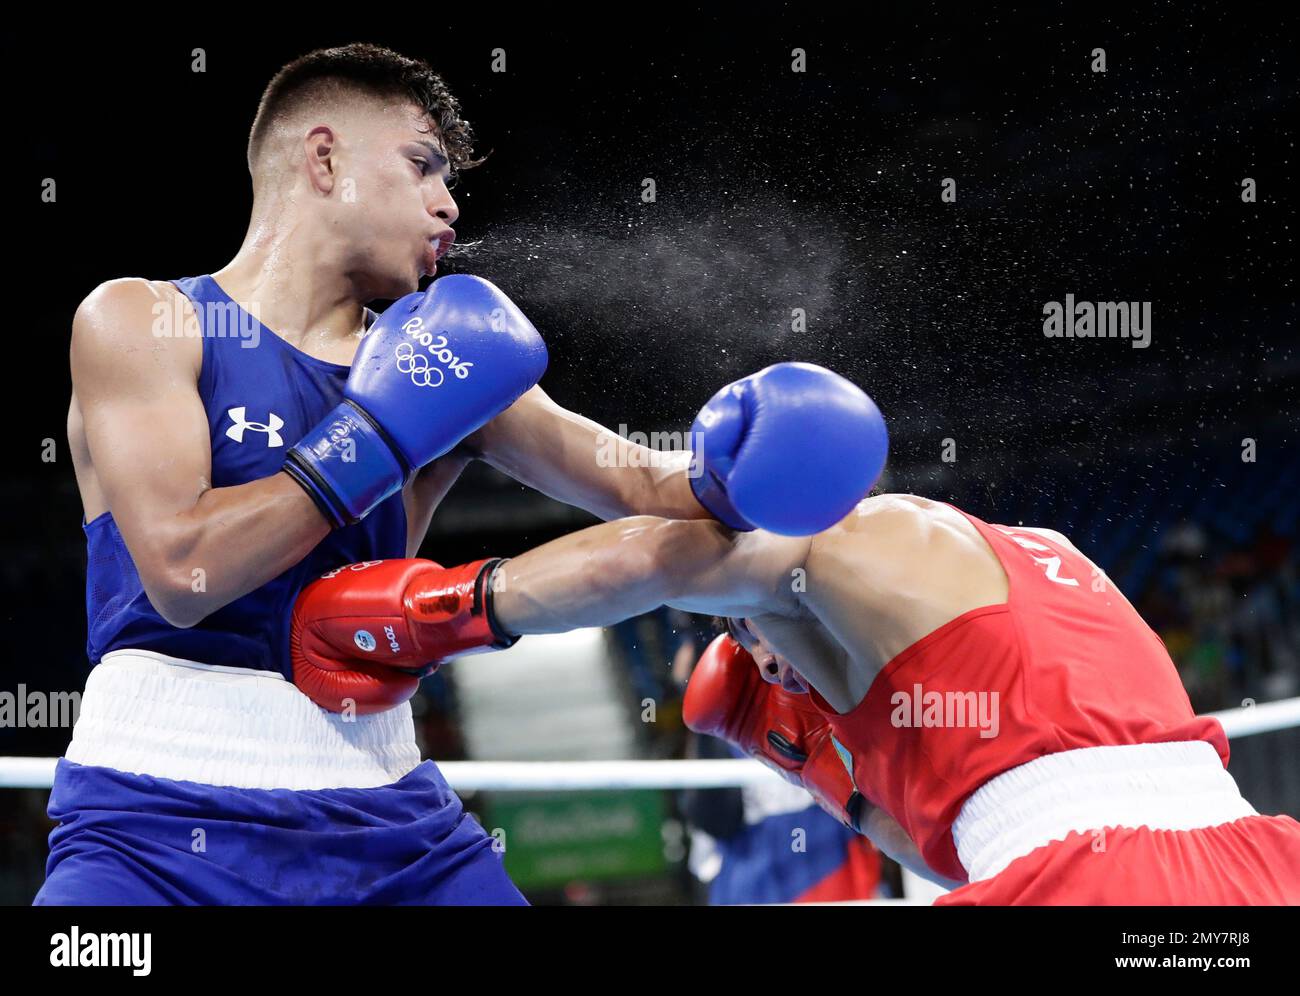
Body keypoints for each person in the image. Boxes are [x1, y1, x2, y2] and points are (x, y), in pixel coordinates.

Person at [41, 41, 880, 905]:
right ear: (324, 158)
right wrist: (380, 432)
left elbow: (642, 483)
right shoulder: (144, 320)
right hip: (150, 819)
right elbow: (185, 575)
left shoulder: (435, 361)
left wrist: (740, 474)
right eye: (422, 165)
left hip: (388, 813)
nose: (447, 206)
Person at [301, 483, 1300, 903]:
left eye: (752, 626)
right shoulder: (1041, 567)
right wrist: (826, 774)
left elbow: (666, 551)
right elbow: (986, 844)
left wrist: (454, 610)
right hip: (1254, 859)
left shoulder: (861, 537)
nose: (763, 660)